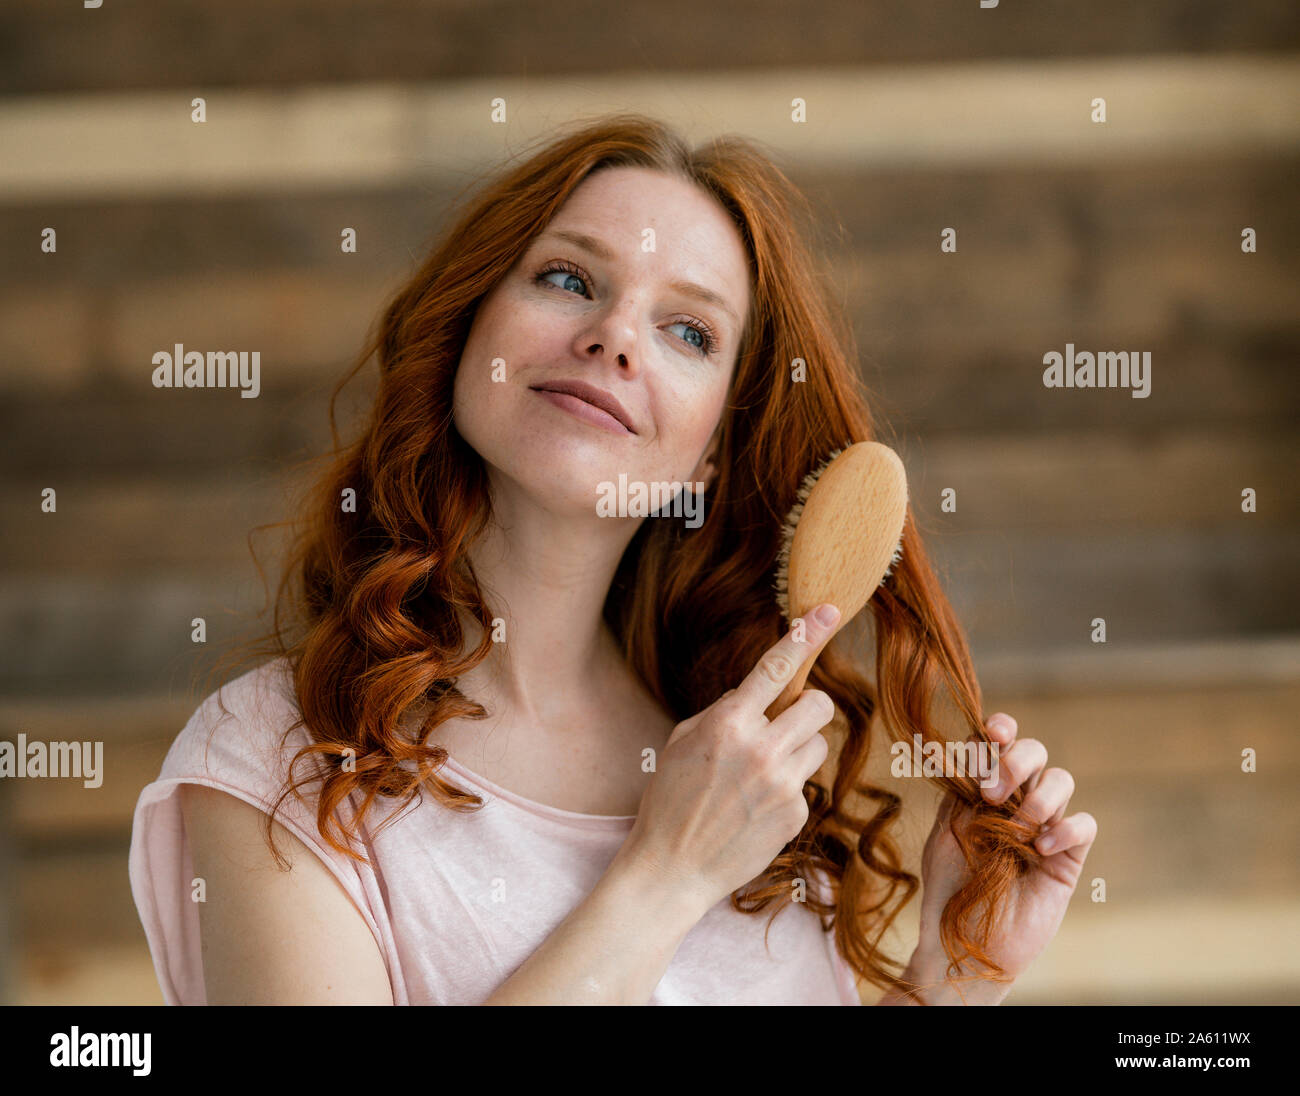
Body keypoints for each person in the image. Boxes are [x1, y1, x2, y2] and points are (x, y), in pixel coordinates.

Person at [129, 113, 1096, 1005]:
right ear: (468, 326)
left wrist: (951, 975)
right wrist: (665, 875)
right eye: (568, 279)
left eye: (689, 331)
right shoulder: (280, 759)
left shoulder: (746, 778)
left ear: (712, 449)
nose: (615, 339)